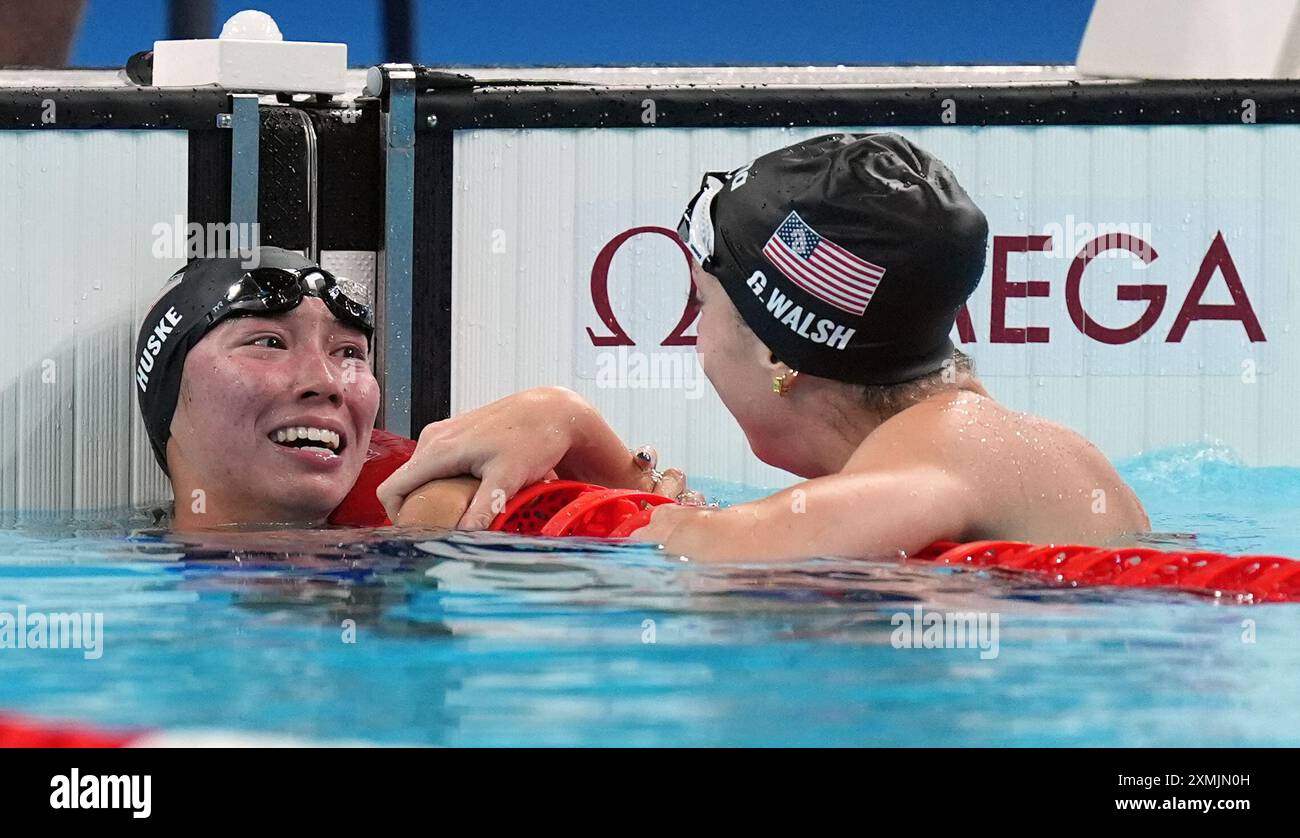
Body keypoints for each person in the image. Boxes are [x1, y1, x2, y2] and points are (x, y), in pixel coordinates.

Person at [379, 133, 1150, 561]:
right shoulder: (1051, 451)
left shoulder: (935, 462)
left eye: (701, 303)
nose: (695, 335)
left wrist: (478, 500)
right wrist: (594, 448)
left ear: (783, 353)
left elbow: (720, 556)